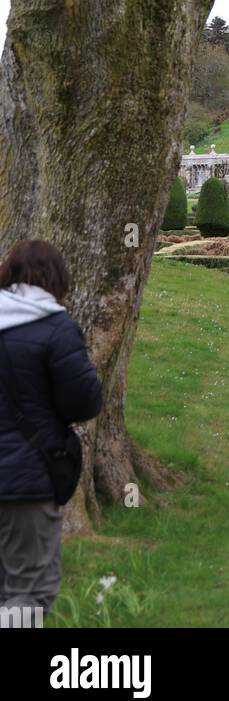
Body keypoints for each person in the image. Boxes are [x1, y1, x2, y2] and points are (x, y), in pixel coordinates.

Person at [0, 240, 102, 624]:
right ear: (57, 280)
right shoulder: (55, 328)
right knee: (28, 593)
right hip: (27, 481)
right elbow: (83, 403)